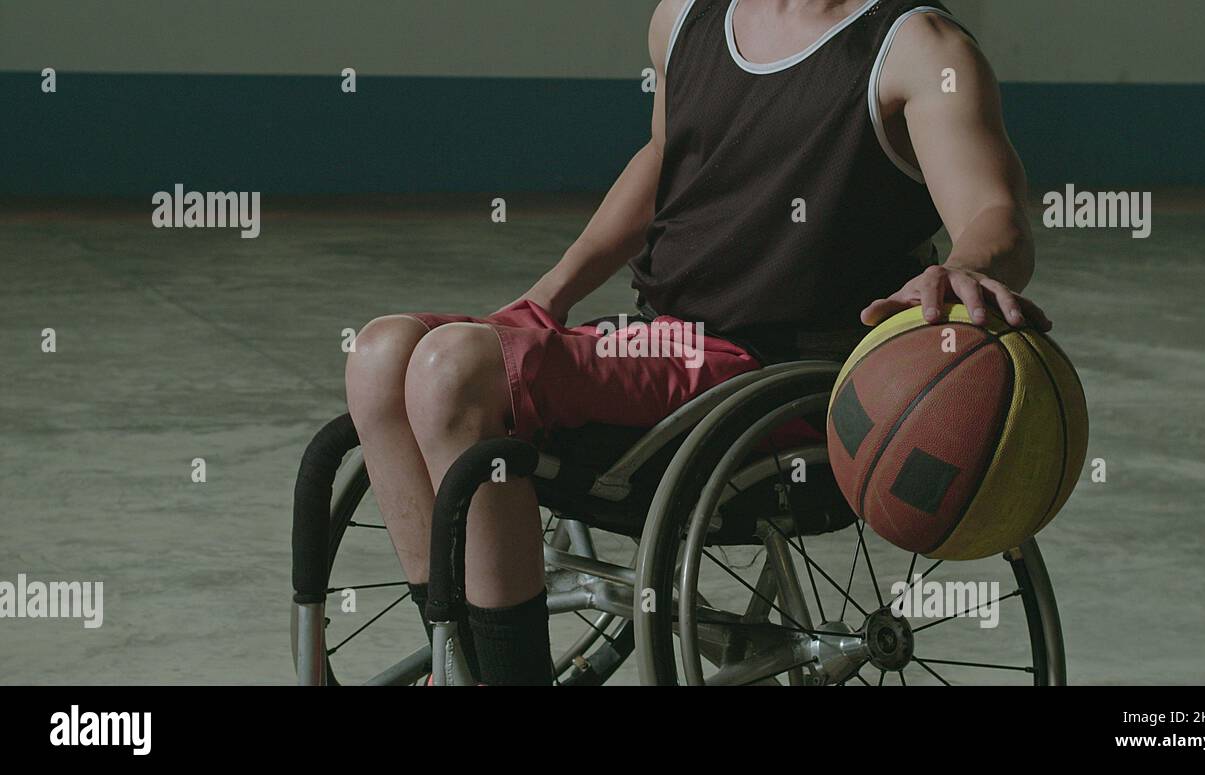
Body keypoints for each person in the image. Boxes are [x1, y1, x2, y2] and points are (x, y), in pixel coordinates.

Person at [344, 0, 1050, 685]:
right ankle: (461, 660)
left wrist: (966, 269)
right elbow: (664, 159)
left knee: (453, 372)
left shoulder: (916, 49)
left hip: (776, 378)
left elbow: (997, 211)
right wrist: (549, 296)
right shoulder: (685, 17)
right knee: (381, 356)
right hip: (665, 344)